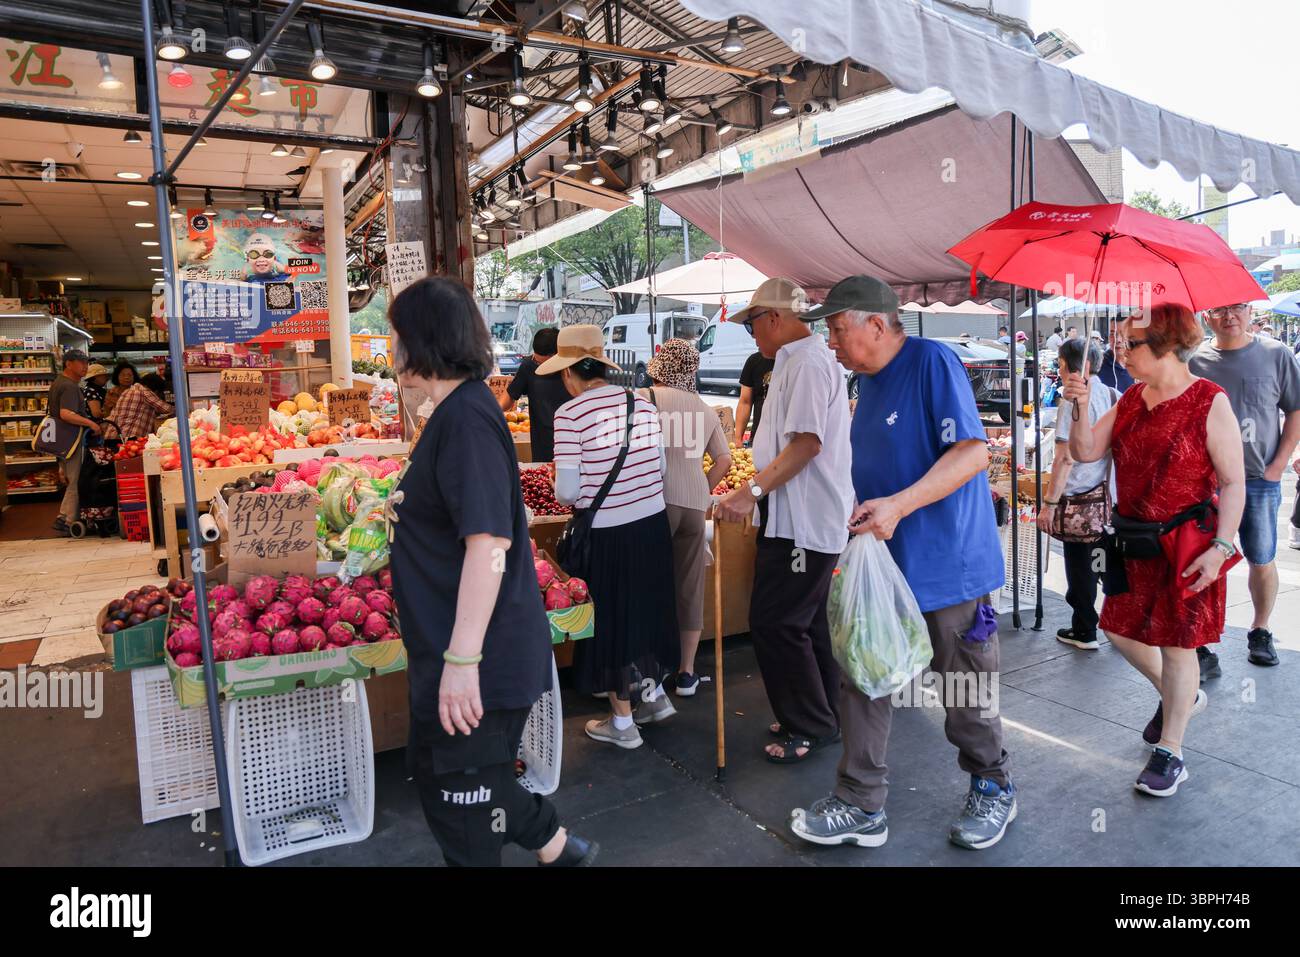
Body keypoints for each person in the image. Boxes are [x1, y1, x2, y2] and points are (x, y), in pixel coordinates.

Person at [785, 274, 1014, 850]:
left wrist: (899, 505)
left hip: (949, 565)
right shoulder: (867, 384)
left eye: (837, 330)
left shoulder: (931, 361)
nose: (831, 343)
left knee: (963, 688)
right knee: (863, 675)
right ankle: (860, 801)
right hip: (886, 565)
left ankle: (992, 785)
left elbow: (971, 454)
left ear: (876, 324)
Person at [386, 277, 594, 867]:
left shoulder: (468, 420)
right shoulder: (457, 411)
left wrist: (462, 662)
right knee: (455, 779)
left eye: (397, 333)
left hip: (482, 657)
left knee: (464, 806)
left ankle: (555, 844)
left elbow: (489, 546)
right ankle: (558, 847)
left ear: (422, 339)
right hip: (458, 648)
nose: (392, 346)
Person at [1066, 303, 1245, 797]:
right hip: (1134, 540)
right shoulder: (1130, 398)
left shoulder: (1208, 401)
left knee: (1177, 643)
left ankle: (1171, 750)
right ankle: (1179, 698)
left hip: (1187, 544)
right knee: (1117, 630)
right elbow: (1084, 451)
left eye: (1130, 343)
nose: (1121, 352)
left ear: (1166, 346)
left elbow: (1233, 482)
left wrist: (1222, 547)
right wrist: (1079, 405)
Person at [714, 278, 853, 763]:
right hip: (795, 516)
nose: (751, 333)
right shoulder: (794, 361)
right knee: (805, 623)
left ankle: (810, 723)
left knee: (777, 623)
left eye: (751, 322)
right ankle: (821, 714)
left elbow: (806, 443)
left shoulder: (809, 363)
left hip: (804, 521)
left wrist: (750, 491)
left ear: (773, 317)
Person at [544, 324, 680, 747]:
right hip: (653, 525)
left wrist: (558, 480)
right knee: (647, 609)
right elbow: (659, 467)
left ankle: (623, 725)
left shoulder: (569, 415)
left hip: (609, 534)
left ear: (569, 372)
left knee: (613, 619)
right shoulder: (641, 403)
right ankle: (653, 697)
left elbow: (568, 492)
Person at [1189, 301, 1300, 673]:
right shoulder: (1194, 361)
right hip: (1206, 484)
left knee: (1262, 558)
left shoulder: (1276, 354)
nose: (1229, 316)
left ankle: (1260, 629)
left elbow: (1296, 409)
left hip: (1258, 480)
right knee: (1202, 560)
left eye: (1237, 307)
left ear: (1250, 311)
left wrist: (1277, 466)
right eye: (1219, 310)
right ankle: (1200, 642)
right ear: (1207, 317)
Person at [637, 339, 732, 696]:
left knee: (648, 584)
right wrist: (702, 489)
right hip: (694, 505)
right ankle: (687, 673)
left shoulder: (645, 398)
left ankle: (650, 669)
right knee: (689, 587)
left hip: (654, 501)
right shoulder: (704, 409)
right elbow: (724, 460)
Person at [1037, 337, 1120, 650]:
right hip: (1107, 498)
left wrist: (1049, 504)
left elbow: (1064, 458)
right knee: (1104, 564)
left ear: (1068, 365)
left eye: (1059, 363)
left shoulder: (1071, 401)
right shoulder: (1113, 395)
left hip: (1078, 499)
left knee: (1080, 568)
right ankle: (1118, 627)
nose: (1058, 368)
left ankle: (1085, 629)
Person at [47, 350, 101, 537]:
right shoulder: (69, 386)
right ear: (68, 364)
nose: (85, 366)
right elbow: (66, 414)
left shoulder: (58, 383)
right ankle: (67, 520)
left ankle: (65, 517)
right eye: (81, 362)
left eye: (86, 363)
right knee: (76, 480)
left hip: (61, 440)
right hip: (71, 440)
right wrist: (91, 423)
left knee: (71, 478)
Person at [500, 326, 569, 462]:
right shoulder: (529, 366)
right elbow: (510, 395)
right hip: (542, 443)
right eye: (536, 361)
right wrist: (492, 411)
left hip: (570, 439)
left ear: (557, 355)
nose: (539, 366)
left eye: (543, 364)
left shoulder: (571, 370)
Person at [109, 373, 174, 440]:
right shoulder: (144, 391)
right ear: (155, 389)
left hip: (112, 436)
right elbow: (167, 409)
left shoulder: (127, 391)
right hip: (129, 437)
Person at [735, 349, 774, 446]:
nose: (757, 343)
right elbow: (745, 402)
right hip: (758, 438)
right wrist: (738, 439)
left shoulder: (795, 361)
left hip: (788, 442)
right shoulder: (754, 360)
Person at [1097, 323, 1136, 392]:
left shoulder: (1140, 366)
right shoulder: (1098, 364)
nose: (1118, 340)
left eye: (1123, 334)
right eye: (1113, 334)